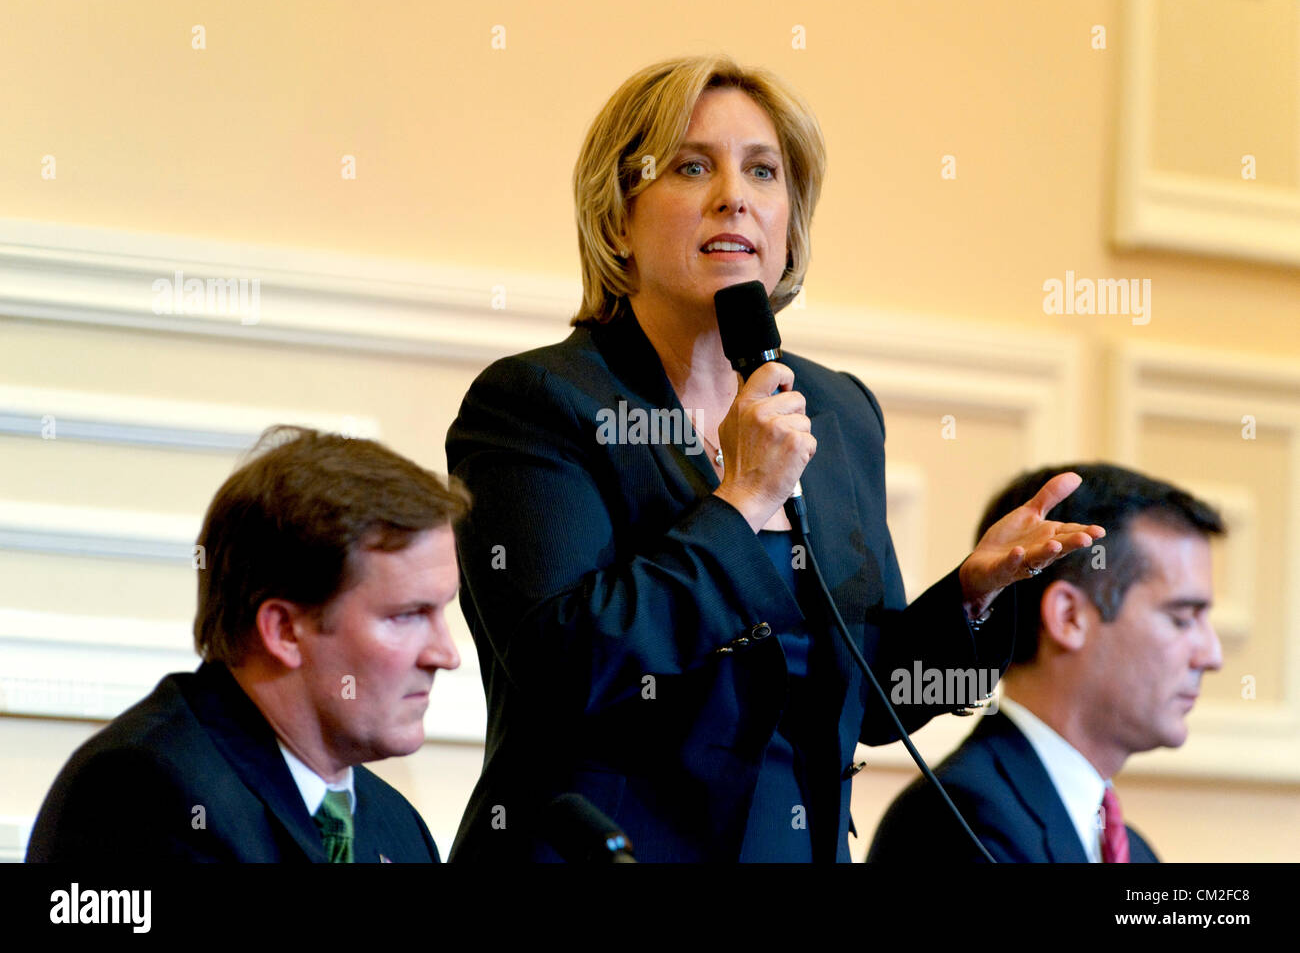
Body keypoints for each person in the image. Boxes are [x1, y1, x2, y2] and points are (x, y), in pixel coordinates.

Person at [445, 54, 1103, 863]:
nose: (736, 195)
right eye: (692, 167)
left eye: (764, 171)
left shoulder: (834, 411)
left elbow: (868, 701)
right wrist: (741, 500)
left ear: (790, 223)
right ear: (617, 219)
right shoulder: (538, 403)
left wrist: (970, 598)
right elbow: (562, 668)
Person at [27, 426, 468, 863]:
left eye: (442, 610)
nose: (446, 655)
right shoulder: (141, 795)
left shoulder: (398, 827)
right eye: (407, 615)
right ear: (283, 631)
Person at [867, 463, 1225, 863]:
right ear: (1069, 617)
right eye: (1181, 618)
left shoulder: (1135, 852)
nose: (1212, 656)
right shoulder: (955, 824)